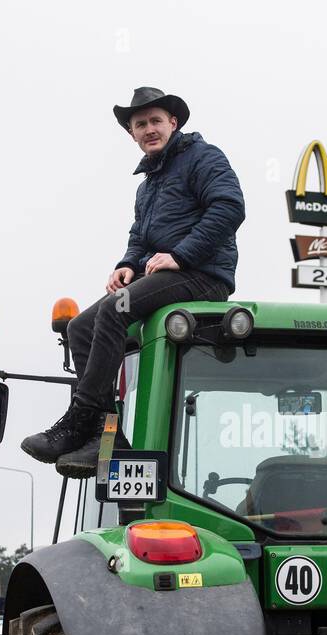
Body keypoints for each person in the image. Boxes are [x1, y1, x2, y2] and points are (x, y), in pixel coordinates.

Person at [21, 86, 245, 477]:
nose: (149, 129)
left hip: (202, 275)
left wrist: (180, 255)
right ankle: (104, 435)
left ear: (173, 123)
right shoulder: (148, 185)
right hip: (165, 274)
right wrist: (127, 264)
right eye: (140, 124)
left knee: (114, 310)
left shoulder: (203, 158)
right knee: (80, 327)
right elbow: (141, 237)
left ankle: (79, 419)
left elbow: (230, 207)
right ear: (132, 134)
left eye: (155, 121)